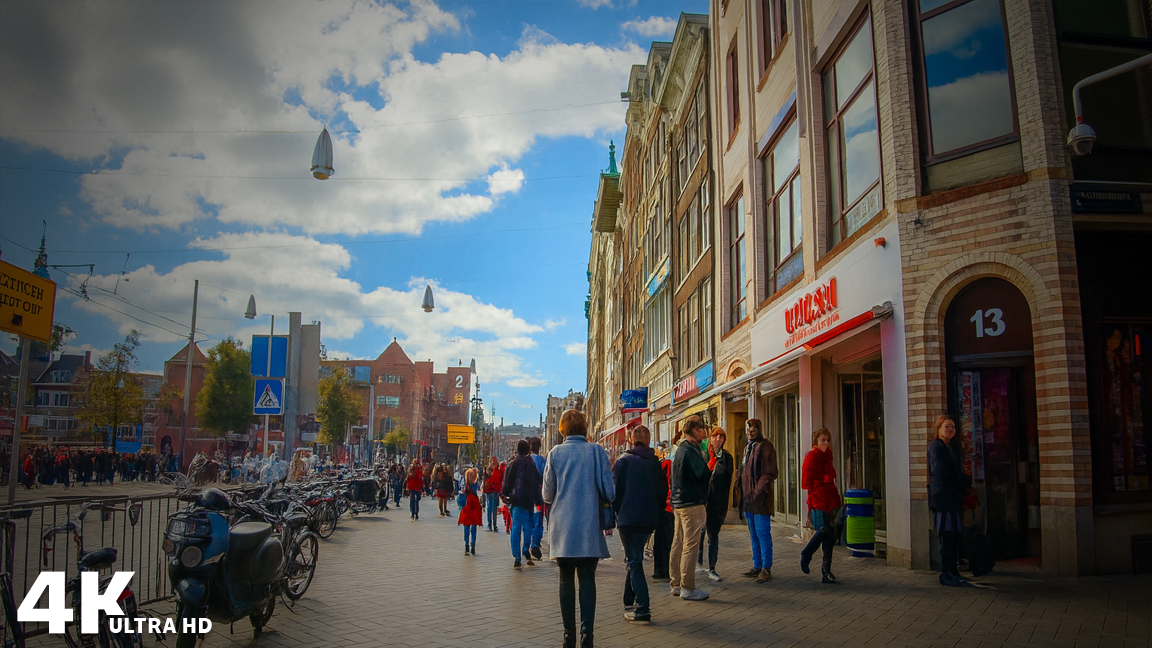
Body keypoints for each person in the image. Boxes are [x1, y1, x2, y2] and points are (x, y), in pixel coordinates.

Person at [542, 409, 614, 648]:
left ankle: (568, 636)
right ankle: (587, 635)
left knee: (565, 579)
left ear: (562, 429)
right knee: (587, 578)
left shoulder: (554, 453)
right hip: (588, 525)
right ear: (585, 428)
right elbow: (609, 491)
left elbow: (547, 494)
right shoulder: (596, 451)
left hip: (562, 526)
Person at [611, 425, 666, 624]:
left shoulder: (623, 462)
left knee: (634, 561)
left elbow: (615, 493)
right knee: (633, 558)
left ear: (631, 440)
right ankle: (628, 599)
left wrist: (616, 512)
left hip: (628, 518)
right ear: (649, 440)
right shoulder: (654, 462)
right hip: (648, 519)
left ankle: (643, 607)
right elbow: (662, 491)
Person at [669, 415, 713, 601]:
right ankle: (687, 587)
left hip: (679, 502)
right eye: (702, 428)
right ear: (694, 431)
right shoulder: (691, 450)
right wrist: (710, 460)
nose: (704, 431)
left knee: (678, 542)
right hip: (691, 502)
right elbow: (703, 474)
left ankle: (676, 583)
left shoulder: (680, 449)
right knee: (690, 544)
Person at [929, 414, 974, 587]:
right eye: (946, 426)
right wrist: (964, 480)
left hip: (952, 498)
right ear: (939, 429)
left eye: (953, 427)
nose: (950, 430)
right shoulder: (936, 447)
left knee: (954, 536)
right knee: (947, 536)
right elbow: (942, 472)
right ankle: (946, 572)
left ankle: (953, 571)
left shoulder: (952, 448)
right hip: (943, 500)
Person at [736, 418, 779, 583]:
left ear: (759, 429)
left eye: (754, 427)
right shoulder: (748, 447)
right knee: (753, 534)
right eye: (749, 428)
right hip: (748, 499)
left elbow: (770, 473)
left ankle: (766, 568)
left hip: (760, 499)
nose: (751, 430)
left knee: (762, 533)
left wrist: (757, 491)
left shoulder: (765, 446)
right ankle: (757, 565)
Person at [800, 427, 841, 584]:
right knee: (825, 530)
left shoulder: (828, 456)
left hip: (831, 498)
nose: (826, 443)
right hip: (818, 498)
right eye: (823, 440)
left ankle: (826, 570)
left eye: (827, 440)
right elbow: (806, 482)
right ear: (816, 442)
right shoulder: (812, 456)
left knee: (830, 535)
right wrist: (823, 480)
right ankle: (807, 553)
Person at [697, 426, 733, 583]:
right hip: (702, 501)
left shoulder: (727, 458)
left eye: (721, 436)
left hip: (717, 502)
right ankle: (697, 563)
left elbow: (727, 482)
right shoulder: (702, 455)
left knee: (713, 534)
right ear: (710, 438)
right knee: (699, 533)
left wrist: (725, 504)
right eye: (715, 436)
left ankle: (712, 567)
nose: (718, 439)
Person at [502, 439, 543, 568]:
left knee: (515, 528)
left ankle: (516, 556)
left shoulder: (513, 463)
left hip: (516, 500)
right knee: (527, 528)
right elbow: (537, 481)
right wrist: (538, 499)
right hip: (528, 501)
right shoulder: (531, 463)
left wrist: (506, 493)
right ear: (527, 450)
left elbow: (508, 481)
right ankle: (526, 549)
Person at [651, 442, 674, 582]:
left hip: (659, 506)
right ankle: (664, 569)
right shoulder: (667, 464)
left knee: (659, 540)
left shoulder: (658, 465)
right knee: (666, 539)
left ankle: (659, 569)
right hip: (667, 506)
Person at [528, 436, 547, 560]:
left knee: (526, 520)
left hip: (524, 495)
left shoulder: (523, 459)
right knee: (537, 520)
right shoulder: (541, 460)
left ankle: (525, 547)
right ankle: (535, 543)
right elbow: (547, 476)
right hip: (538, 494)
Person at [458, 467, 482, 555]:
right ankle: (472, 545)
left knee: (466, 527)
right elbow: (479, 493)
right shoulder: (475, 485)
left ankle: (466, 545)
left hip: (466, 508)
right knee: (474, 528)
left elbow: (460, 494)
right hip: (474, 507)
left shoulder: (464, 484)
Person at [482, 457, 504, 532]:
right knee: (490, 507)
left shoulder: (497, 470)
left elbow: (499, 477)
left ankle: (493, 525)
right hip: (491, 490)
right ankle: (490, 525)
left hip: (494, 490)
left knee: (493, 507)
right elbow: (485, 477)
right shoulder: (490, 469)